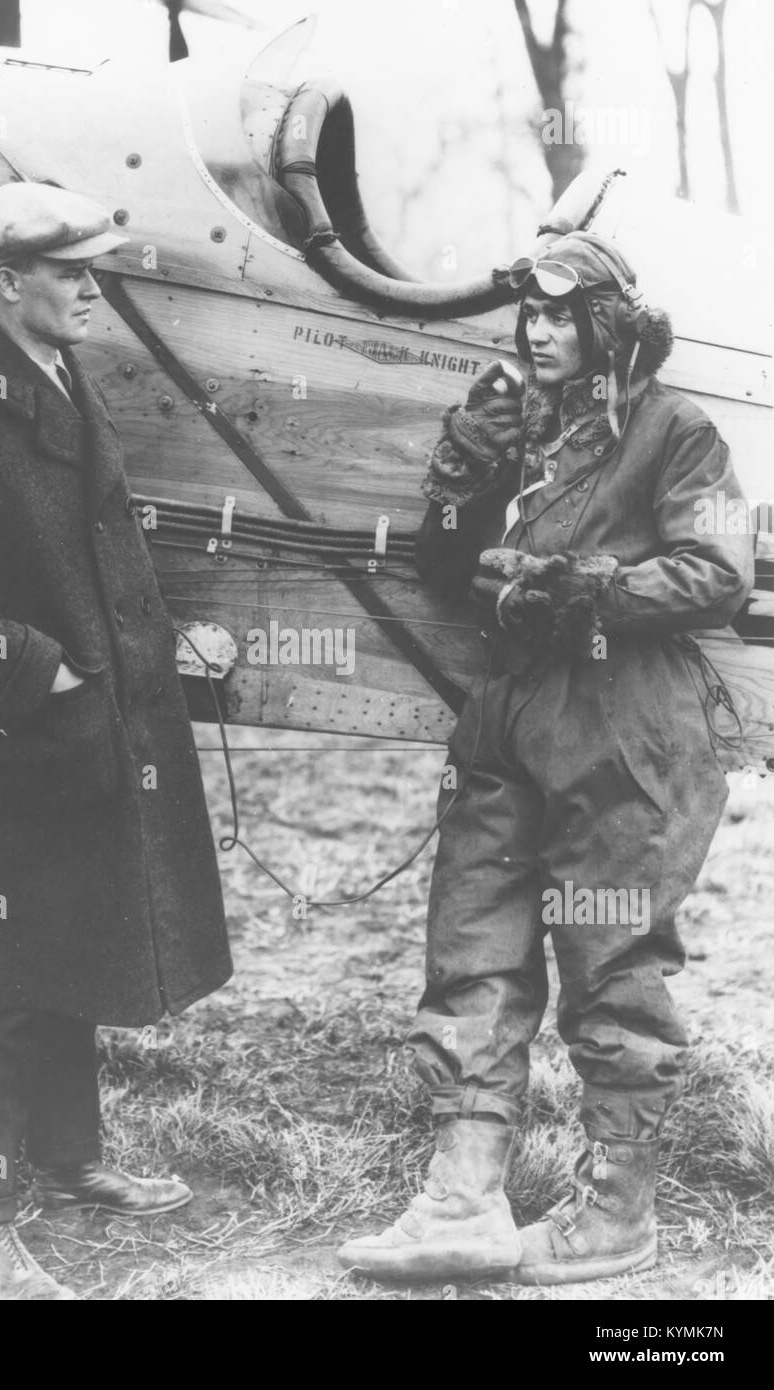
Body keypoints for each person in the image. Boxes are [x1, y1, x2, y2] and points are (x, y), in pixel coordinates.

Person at [338, 230, 755, 1285]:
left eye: (562, 314)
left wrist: (581, 585)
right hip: (506, 719)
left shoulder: (678, 429)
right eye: (530, 313)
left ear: (608, 324)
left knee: (608, 963)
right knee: (471, 944)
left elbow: (716, 571)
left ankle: (618, 1212)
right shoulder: (520, 427)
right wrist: (458, 479)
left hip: (623, 728)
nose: (538, 330)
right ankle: (461, 1193)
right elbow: (445, 568)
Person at [0, 182, 231, 1300]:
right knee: (8, 982)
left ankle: (70, 1164)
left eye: (92, 267)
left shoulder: (61, 380)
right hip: (27, 742)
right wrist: (38, 666)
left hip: (95, 734)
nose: (90, 287)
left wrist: (163, 642)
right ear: (7, 282)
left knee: (75, 941)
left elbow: (86, 555)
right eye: (70, 269)